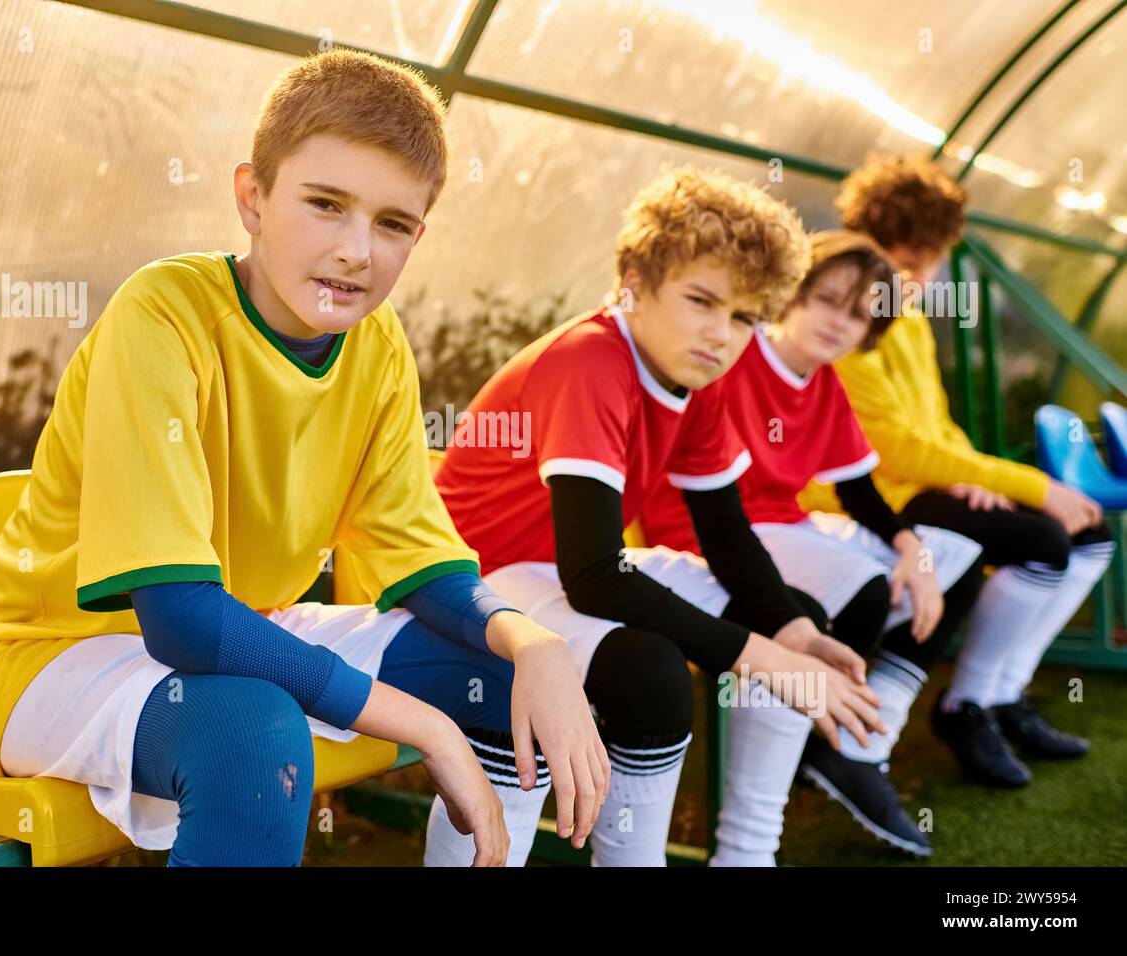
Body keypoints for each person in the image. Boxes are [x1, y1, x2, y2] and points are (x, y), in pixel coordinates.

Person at [0, 49, 609, 867]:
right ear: (252, 197)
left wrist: (527, 639)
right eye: (326, 204)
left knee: (514, 681)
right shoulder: (163, 314)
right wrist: (425, 725)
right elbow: (181, 618)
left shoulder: (377, 343)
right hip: (48, 657)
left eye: (392, 224)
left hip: (245, 628)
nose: (357, 250)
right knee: (254, 734)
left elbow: (417, 554)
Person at [435, 167, 884, 867]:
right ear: (635, 281)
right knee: (651, 672)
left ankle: (747, 855)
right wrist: (757, 655)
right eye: (702, 300)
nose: (721, 333)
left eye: (744, 316)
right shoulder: (590, 359)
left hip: (553, 574)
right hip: (471, 579)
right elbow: (595, 578)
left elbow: (726, 533)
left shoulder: (696, 374)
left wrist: (793, 632)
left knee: (789, 619)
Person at [641, 230, 985, 856]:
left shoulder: (824, 383)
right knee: (863, 590)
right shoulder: (737, 353)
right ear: (791, 294)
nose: (840, 322)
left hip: (782, 524)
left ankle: (847, 743)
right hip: (708, 529)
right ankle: (819, 745)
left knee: (952, 555)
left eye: (859, 314)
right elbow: (713, 502)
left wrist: (911, 545)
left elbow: (858, 490)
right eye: (828, 299)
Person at [803, 154, 1116, 786]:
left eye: (924, 263)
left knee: (1091, 536)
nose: (910, 278)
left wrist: (971, 475)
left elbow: (934, 428)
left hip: (918, 485)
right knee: (1043, 540)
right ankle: (962, 706)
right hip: (869, 497)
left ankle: (998, 695)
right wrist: (1031, 485)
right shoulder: (848, 321)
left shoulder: (906, 313)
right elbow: (891, 449)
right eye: (902, 262)